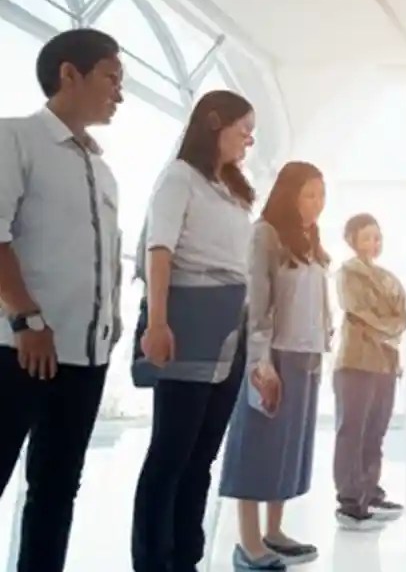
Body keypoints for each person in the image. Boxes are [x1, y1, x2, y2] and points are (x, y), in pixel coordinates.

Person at [0, 29, 123, 572]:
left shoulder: (102, 168)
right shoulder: (16, 139)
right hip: (21, 348)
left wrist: (113, 325)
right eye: (111, 78)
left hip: (84, 356)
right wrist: (26, 317)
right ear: (68, 74)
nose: (119, 93)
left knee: (56, 490)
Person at [131, 90, 256, 572]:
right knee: (170, 453)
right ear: (213, 121)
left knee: (201, 457)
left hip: (230, 327)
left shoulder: (229, 187)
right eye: (243, 127)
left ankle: (187, 556)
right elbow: (158, 251)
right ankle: (152, 560)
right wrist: (157, 321)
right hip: (187, 322)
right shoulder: (178, 178)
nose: (249, 137)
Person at [219, 162, 331, 570]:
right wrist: (261, 363)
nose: (317, 203)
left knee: (288, 449)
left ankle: (275, 531)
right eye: (309, 194)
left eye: (321, 194)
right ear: (289, 194)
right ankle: (247, 543)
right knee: (257, 445)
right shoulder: (265, 234)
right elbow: (259, 303)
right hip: (274, 354)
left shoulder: (310, 239)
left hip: (307, 356)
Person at [332, 213, 406, 530]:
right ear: (352, 240)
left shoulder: (389, 277)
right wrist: (389, 326)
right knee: (352, 430)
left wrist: (389, 326)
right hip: (356, 362)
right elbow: (359, 313)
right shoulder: (347, 274)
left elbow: (403, 315)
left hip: (386, 364)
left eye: (377, 237)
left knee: (376, 431)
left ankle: (370, 492)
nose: (373, 243)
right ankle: (350, 500)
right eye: (366, 237)